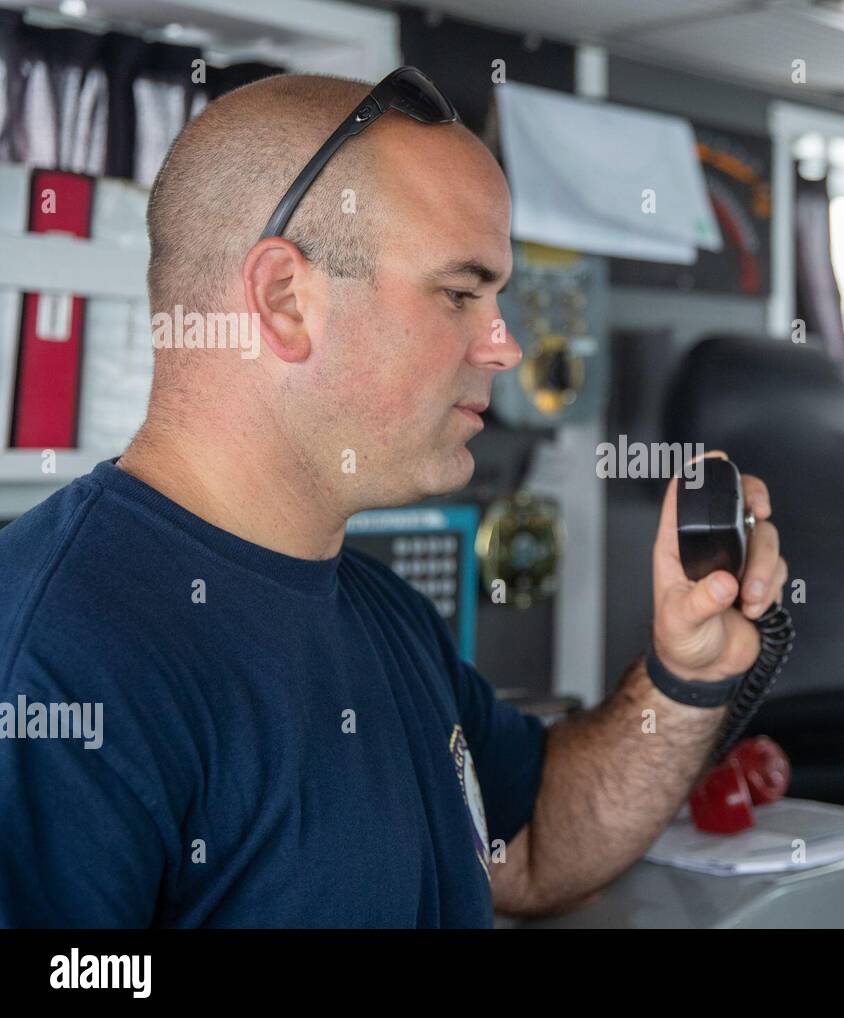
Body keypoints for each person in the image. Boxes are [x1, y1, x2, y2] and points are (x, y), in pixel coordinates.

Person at [0, 70, 787, 927]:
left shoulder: (383, 612)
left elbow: (527, 850)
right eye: (460, 293)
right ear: (284, 300)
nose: (505, 348)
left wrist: (687, 676)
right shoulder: (49, 660)